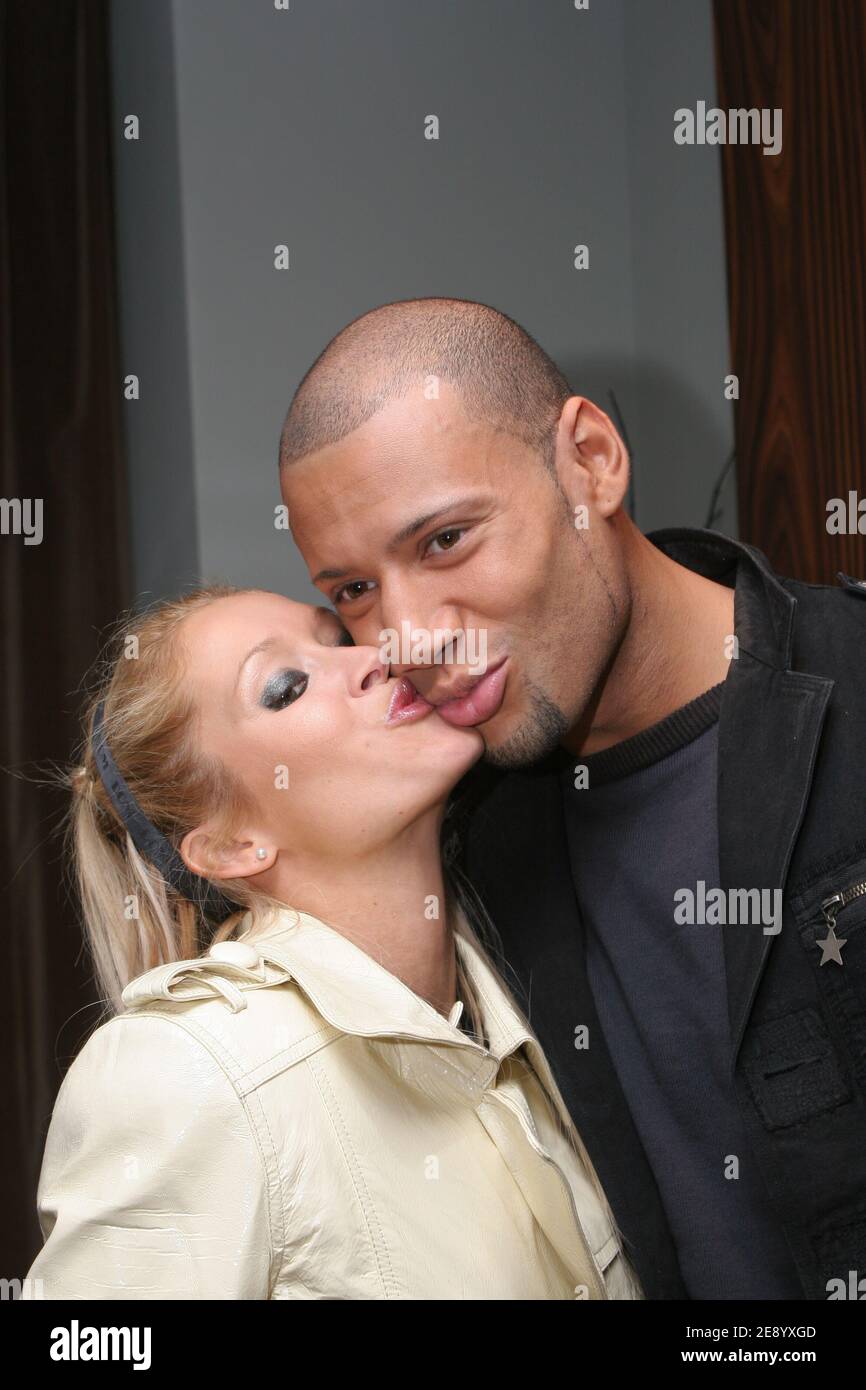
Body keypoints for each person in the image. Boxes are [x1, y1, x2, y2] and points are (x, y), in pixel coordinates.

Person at [278, 295, 866, 1301]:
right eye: (353, 591)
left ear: (590, 460)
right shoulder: (451, 846)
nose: (411, 635)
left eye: (444, 540)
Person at [22, 585, 639, 1301]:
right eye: (285, 687)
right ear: (229, 845)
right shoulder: (188, 1074)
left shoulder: (532, 1001)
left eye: (338, 637)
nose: (376, 658)